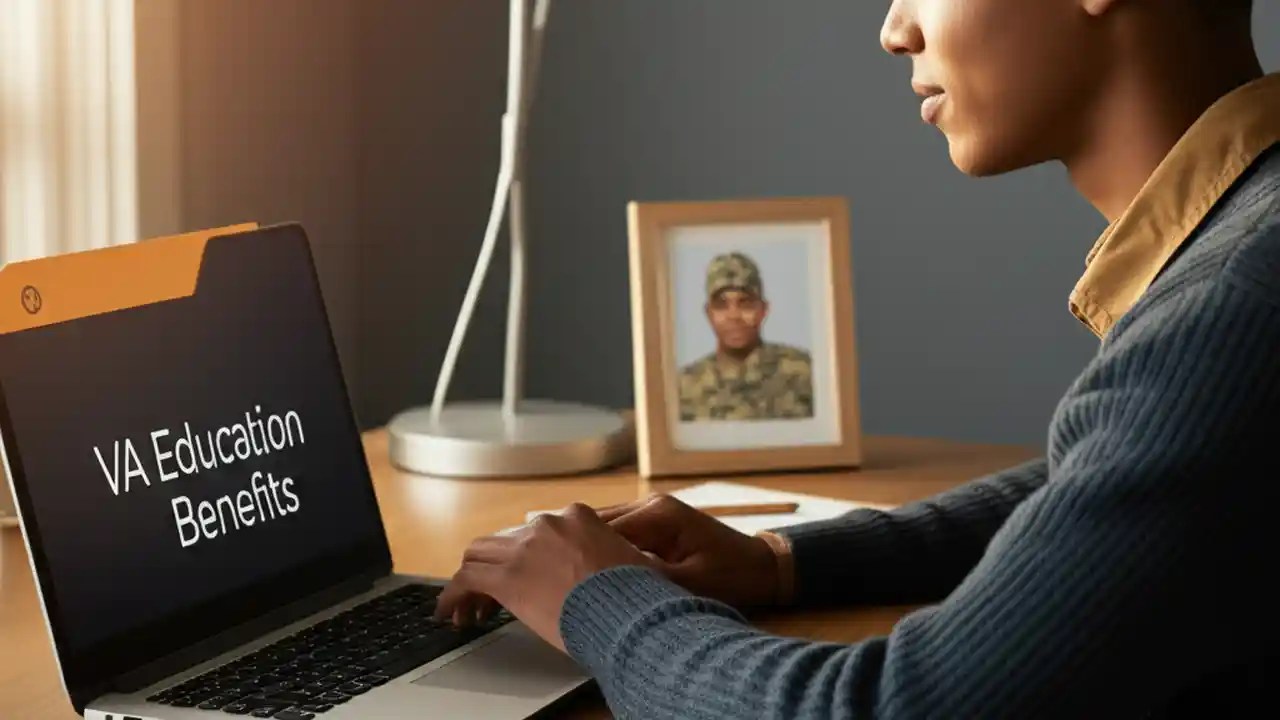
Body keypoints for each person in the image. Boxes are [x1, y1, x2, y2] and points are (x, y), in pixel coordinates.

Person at [437, 0, 1279, 717]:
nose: (894, 28)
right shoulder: (1244, 255)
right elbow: (1110, 477)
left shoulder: (1240, 299)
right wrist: (785, 561)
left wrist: (599, 600)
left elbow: (880, 709)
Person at [678, 251, 814, 422]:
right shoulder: (684, 386)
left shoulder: (803, 371)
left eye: (745, 303)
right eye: (722, 305)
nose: (733, 315)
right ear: (709, 313)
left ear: (763, 310)